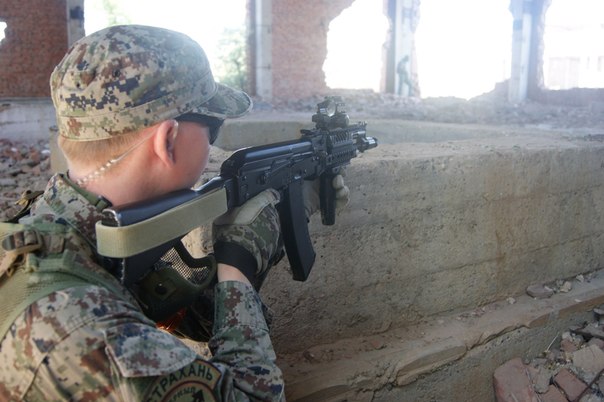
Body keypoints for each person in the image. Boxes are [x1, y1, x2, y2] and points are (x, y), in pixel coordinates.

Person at [0, 24, 347, 401]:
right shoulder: (89, 334)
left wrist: (272, 224)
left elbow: (190, 319)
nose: (213, 141)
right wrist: (236, 264)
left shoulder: (45, 230)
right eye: (213, 127)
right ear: (167, 140)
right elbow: (253, 396)